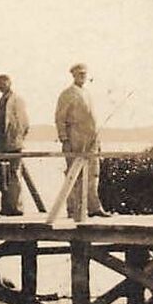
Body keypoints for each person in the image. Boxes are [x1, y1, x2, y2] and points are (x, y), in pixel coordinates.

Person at [54, 62, 109, 219]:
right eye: (79, 74)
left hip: (91, 140)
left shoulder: (87, 93)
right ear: (73, 75)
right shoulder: (68, 93)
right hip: (74, 139)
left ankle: (94, 207)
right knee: (74, 175)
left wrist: (97, 141)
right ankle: (73, 209)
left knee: (93, 174)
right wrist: (64, 138)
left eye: (84, 74)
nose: (82, 76)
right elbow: (60, 118)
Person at [0, 74, 31, 216]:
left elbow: (24, 123)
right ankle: (6, 207)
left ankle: (16, 207)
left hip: (13, 144)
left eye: (3, 83)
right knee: (4, 177)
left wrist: (17, 139)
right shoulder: (1, 100)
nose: (1, 85)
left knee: (14, 175)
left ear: (10, 83)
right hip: (2, 146)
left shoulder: (16, 100)